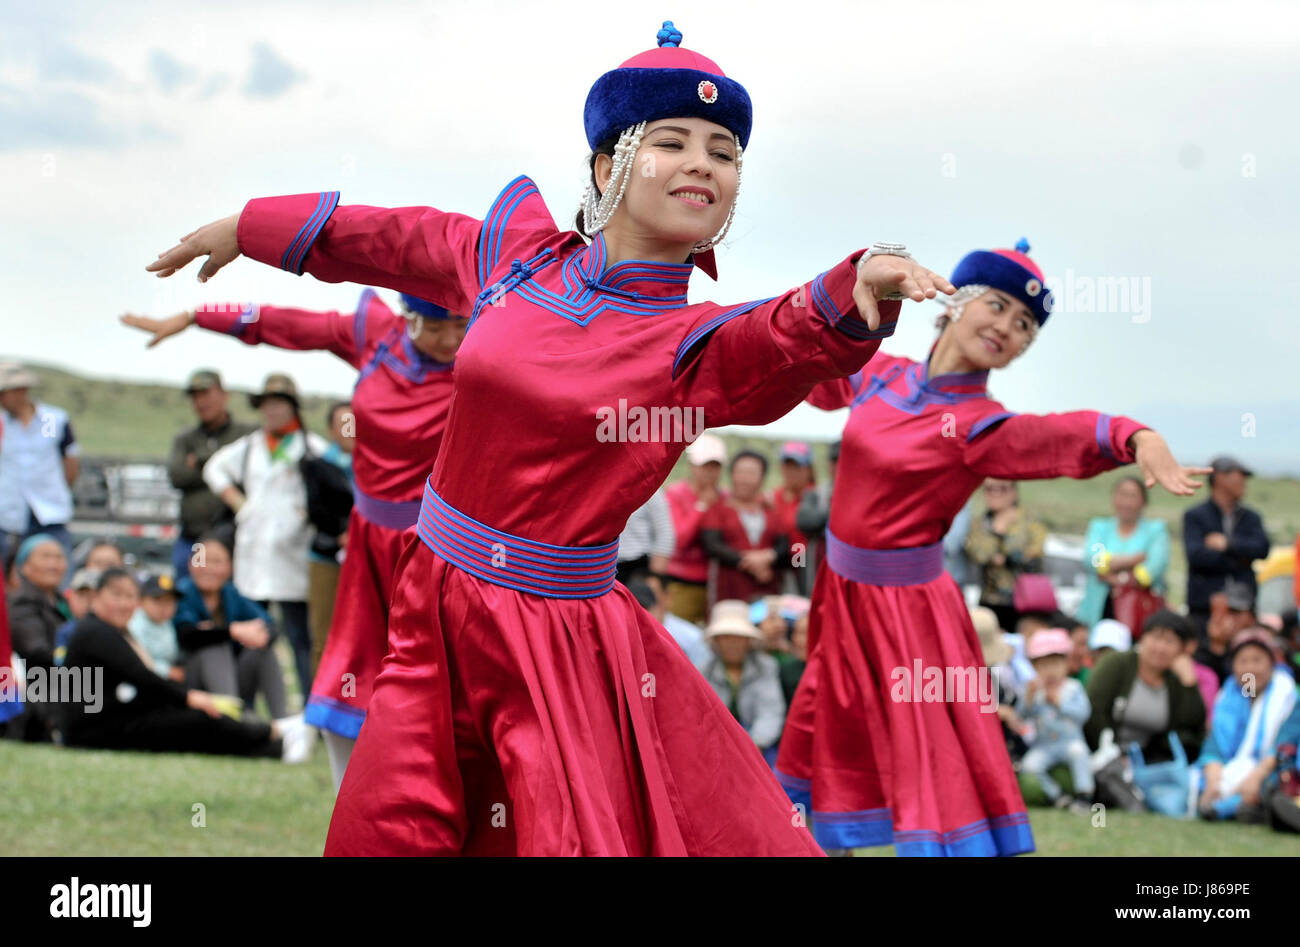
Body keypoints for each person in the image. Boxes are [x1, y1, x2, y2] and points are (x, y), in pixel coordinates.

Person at [145, 20, 956, 856]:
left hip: (549, 640)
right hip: (432, 599)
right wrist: (251, 225)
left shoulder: (689, 343)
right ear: (608, 167)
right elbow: (396, 239)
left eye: (724, 152)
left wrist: (850, 287)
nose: (703, 164)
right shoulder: (515, 257)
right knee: (382, 829)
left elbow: (777, 336)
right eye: (672, 142)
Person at [776, 240, 1208, 856]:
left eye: (1025, 326)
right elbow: (815, 371)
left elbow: (1058, 436)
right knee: (829, 730)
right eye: (999, 308)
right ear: (957, 301)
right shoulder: (883, 376)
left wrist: (1133, 436)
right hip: (841, 599)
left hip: (907, 616)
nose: (1009, 328)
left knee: (926, 754)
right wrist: (852, 299)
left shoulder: (980, 426)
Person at [124, 290, 465, 788]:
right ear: (407, 315)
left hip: (444, 546)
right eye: (434, 326)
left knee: (448, 679)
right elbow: (282, 323)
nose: (449, 339)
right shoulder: (375, 337)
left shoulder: (486, 348)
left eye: (460, 324)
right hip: (367, 545)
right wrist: (197, 316)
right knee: (346, 671)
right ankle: (350, 797)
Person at [61, 569, 313, 761]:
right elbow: (143, 677)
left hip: (111, 719)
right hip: (94, 731)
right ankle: (275, 733)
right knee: (196, 723)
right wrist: (192, 698)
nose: (125, 604)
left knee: (195, 727)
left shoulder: (109, 630)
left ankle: (277, 745)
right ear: (96, 596)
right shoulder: (95, 631)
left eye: (130, 597)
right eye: (116, 595)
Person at [200, 373, 327, 700]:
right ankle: (242, 702)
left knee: (301, 637)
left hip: (293, 553)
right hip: (254, 552)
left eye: (279, 405)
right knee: (250, 630)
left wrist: (309, 512)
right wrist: (240, 504)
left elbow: (334, 484)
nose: (271, 412)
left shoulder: (313, 448)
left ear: (292, 408)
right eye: (266, 405)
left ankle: (308, 708)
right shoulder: (248, 447)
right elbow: (213, 468)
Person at [174, 535, 288, 721]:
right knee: (214, 647)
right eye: (202, 560)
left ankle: (284, 723)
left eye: (217, 561)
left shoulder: (230, 594)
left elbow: (269, 624)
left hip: (232, 678)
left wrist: (260, 636)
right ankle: (233, 721)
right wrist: (232, 631)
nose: (209, 568)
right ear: (190, 564)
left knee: (262, 649)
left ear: (229, 567)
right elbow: (187, 634)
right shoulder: (182, 593)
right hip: (192, 681)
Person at [162, 369, 258, 580]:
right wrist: (221, 468)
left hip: (234, 541)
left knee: (234, 598)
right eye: (195, 396)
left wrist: (202, 461)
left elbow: (248, 474)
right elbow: (177, 475)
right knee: (188, 591)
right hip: (193, 539)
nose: (201, 402)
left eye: (206, 394)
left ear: (224, 395)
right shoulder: (185, 438)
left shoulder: (246, 435)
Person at [1195, 627, 1297, 822]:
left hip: (1272, 769)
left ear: (1271, 663)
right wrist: (1213, 777)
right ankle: (1226, 804)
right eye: (1243, 661)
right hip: (1233, 767)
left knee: (1270, 784)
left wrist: (1256, 776)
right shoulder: (1232, 695)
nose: (1250, 668)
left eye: (1257, 660)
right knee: (1199, 780)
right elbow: (1214, 743)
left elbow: (1284, 744)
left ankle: (1229, 808)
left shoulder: (1287, 696)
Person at [1084, 610, 1206, 763]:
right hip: (1101, 754)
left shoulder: (1174, 681)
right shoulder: (1116, 663)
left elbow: (1193, 725)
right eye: (1156, 637)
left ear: (1181, 650)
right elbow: (1094, 710)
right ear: (1143, 638)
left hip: (1148, 763)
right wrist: (1114, 756)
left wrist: (1189, 684)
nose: (1160, 647)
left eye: (1170, 641)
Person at [0, 364, 79, 571]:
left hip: (48, 511)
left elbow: (68, 459)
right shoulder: (2, 423)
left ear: (20, 392)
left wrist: (58, 489)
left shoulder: (50, 420)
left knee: (56, 570)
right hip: (9, 514)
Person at [1184, 455, 1270, 638]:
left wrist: (1228, 544)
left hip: (1244, 608)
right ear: (1220, 477)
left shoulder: (1251, 517)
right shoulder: (1195, 516)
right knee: (1205, 659)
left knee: (1243, 660)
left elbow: (1262, 549)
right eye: (1240, 476)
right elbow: (1196, 556)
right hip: (1204, 609)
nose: (1244, 482)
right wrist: (1242, 559)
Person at [696, 600, 786, 758]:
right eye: (726, 637)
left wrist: (756, 745)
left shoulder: (765, 667)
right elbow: (699, 717)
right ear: (716, 641)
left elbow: (770, 712)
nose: (733, 644)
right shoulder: (703, 671)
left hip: (758, 748)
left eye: (739, 637)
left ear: (748, 641)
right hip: (713, 747)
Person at [1018, 628, 1094, 813]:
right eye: (1044, 666)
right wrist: (1028, 698)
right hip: (1043, 745)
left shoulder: (1073, 688)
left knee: (1080, 753)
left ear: (1066, 664)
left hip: (1070, 741)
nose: (1050, 671)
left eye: (1056, 664)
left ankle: (1085, 795)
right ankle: (1057, 795)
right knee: (1029, 766)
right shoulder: (1035, 691)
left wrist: (1060, 704)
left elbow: (1084, 714)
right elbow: (1023, 716)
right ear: (1035, 667)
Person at [1078, 476, 1170, 627]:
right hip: (1100, 607)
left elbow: (1154, 567)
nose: (1126, 502)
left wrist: (1109, 570)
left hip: (1139, 610)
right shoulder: (1099, 527)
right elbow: (1091, 559)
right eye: (1122, 494)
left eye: (1132, 496)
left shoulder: (1155, 530)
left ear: (1143, 501)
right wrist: (1133, 560)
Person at [305, 401, 355, 678]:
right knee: (323, 634)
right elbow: (316, 510)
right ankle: (320, 705)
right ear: (331, 430)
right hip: (328, 557)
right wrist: (342, 534)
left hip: (368, 558)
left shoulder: (377, 465)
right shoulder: (319, 466)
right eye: (343, 424)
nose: (350, 430)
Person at [5, 534, 70, 741]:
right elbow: (36, 653)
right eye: (45, 556)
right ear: (24, 566)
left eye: (59, 557)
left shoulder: (62, 603)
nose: (54, 564)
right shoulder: (22, 602)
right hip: (40, 688)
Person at [702, 450, 786, 604]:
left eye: (751, 473)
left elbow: (785, 546)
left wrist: (769, 556)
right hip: (728, 590)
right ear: (732, 475)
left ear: (762, 478)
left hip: (768, 590)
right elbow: (712, 545)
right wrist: (752, 563)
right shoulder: (718, 509)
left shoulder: (772, 511)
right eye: (740, 472)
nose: (744, 479)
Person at [964, 478, 1047, 633]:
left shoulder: (1029, 520)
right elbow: (977, 553)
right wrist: (999, 530)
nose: (995, 494)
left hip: (1025, 600)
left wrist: (1005, 558)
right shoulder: (979, 523)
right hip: (991, 599)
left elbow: (1035, 552)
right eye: (989, 489)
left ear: (1014, 492)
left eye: (1002, 489)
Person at [664, 433, 726, 624]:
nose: (709, 472)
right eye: (704, 466)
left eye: (714, 466)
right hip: (681, 583)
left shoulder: (724, 497)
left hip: (717, 583)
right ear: (692, 466)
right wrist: (701, 507)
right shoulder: (675, 494)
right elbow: (679, 539)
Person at [769, 442, 815, 595]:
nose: (792, 472)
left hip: (806, 566)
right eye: (788, 466)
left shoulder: (815, 497)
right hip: (776, 566)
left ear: (808, 469)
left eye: (797, 467)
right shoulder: (772, 497)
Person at [616, 488, 675, 587]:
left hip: (638, 568)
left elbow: (665, 534)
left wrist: (655, 578)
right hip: (603, 567)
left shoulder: (650, 490)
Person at [128, 575, 184, 679]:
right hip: (143, 677)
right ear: (141, 601)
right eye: (157, 601)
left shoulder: (166, 622)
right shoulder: (136, 624)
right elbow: (138, 661)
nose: (164, 607)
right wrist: (167, 671)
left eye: (169, 602)